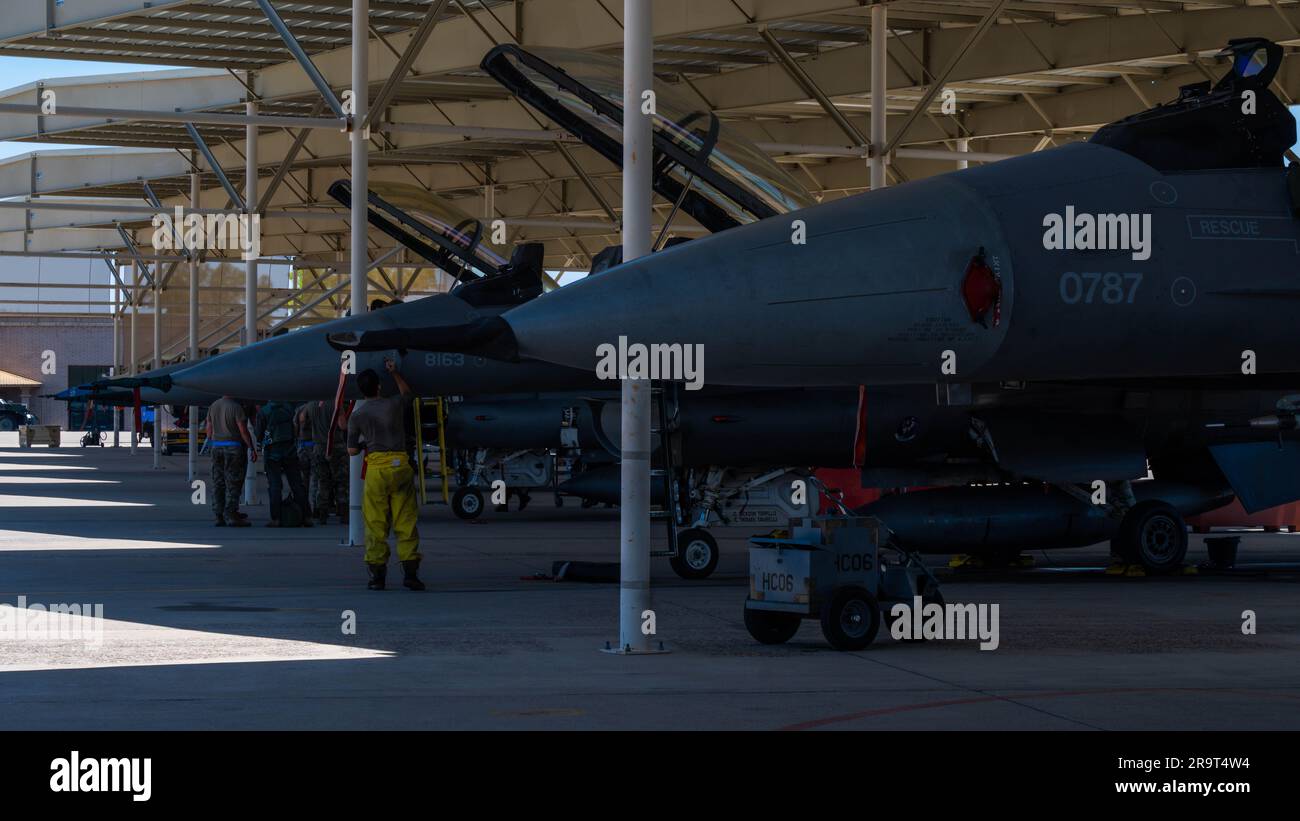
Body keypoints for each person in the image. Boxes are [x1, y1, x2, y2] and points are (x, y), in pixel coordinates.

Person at [347, 360, 421, 590]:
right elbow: (408, 394)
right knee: (406, 521)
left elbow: (351, 450)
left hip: (377, 469)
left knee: (376, 523)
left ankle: (377, 576)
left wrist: (362, 445)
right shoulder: (393, 405)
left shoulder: (357, 416)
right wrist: (395, 372)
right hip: (400, 465)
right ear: (378, 386)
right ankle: (410, 575)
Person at [256, 399, 312, 528]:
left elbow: (259, 434)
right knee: (297, 484)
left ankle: (276, 518)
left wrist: (265, 441)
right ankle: (306, 516)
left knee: (275, 486)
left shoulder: (264, 412)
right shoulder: (289, 407)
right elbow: (295, 428)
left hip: (272, 453)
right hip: (290, 451)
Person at [205, 394, 256, 527]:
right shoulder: (236, 407)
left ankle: (218, 515)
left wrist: (212, 442)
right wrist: (251, 447)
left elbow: (208, 429)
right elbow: (243, 430)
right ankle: (231, 514)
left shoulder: (213, 406)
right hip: (233, 448)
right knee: (233, 482)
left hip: (217, 447)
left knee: (218, 481)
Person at [309, 399, 349, 525]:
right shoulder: (336, 404)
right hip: (335, 446)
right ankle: (343, 512)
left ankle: (322, 513)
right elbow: (343, 425)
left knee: (322, 480)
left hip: (318, 447)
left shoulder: (311, 405)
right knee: (341, 481)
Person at [294, 402, 316, 517]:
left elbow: (296, 426)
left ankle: (304, 508)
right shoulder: (317, 407)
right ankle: (316, 507)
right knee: (316, 479)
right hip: (315, 445)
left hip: (302, 445)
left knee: (303, 480)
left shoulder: (300, 409)